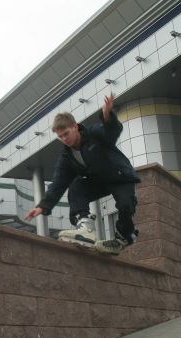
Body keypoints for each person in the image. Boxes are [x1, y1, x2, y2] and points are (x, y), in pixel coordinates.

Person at [24, 93, 140, 255]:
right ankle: (85, 226)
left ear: (75, 127)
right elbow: (58, 184)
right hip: (99, 182)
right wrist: (42, 206)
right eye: (60, 137)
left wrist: (107, 117)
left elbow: (112, 131)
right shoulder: (66, 157)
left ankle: (123, 237)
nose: (64, 139)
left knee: (125, 205)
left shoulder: (94, 134)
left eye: (66, 134)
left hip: (119, 177)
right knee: (76, 186)